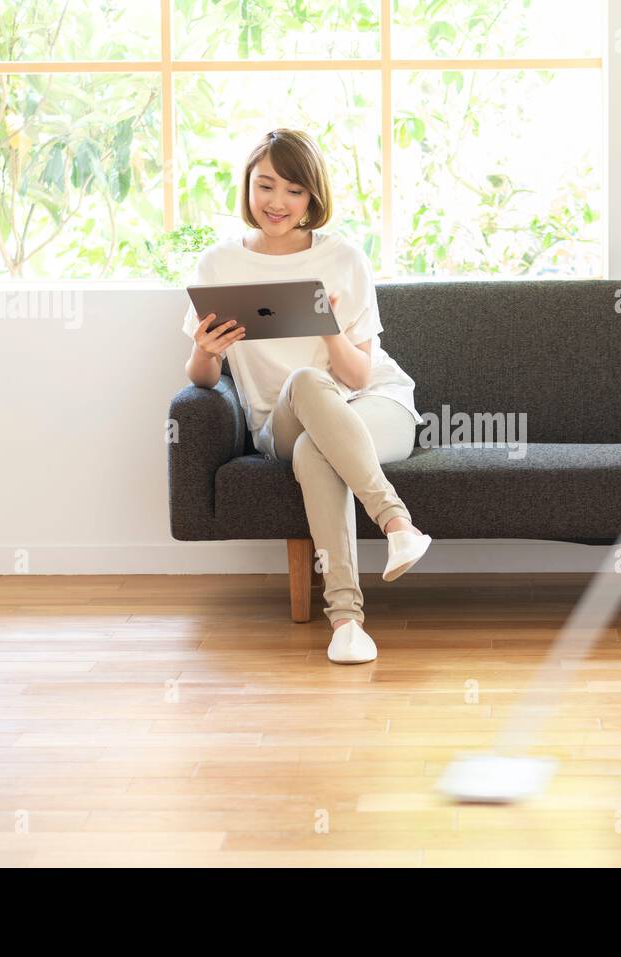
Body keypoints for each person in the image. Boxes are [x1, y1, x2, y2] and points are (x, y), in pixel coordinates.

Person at [182, 128, 432, 665]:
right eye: (266, 185)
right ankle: (398, 523)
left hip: (374, 405)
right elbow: (203, 381)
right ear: (247, 186)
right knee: (303, 386)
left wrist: (328, 328)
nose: (278, 202)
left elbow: (361, 376)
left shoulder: (343, 258)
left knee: (316, 445)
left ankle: (345, 622)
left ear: (313, 197)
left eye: (294, 190)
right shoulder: (218, 265)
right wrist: (205, 352)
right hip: (281, 421)